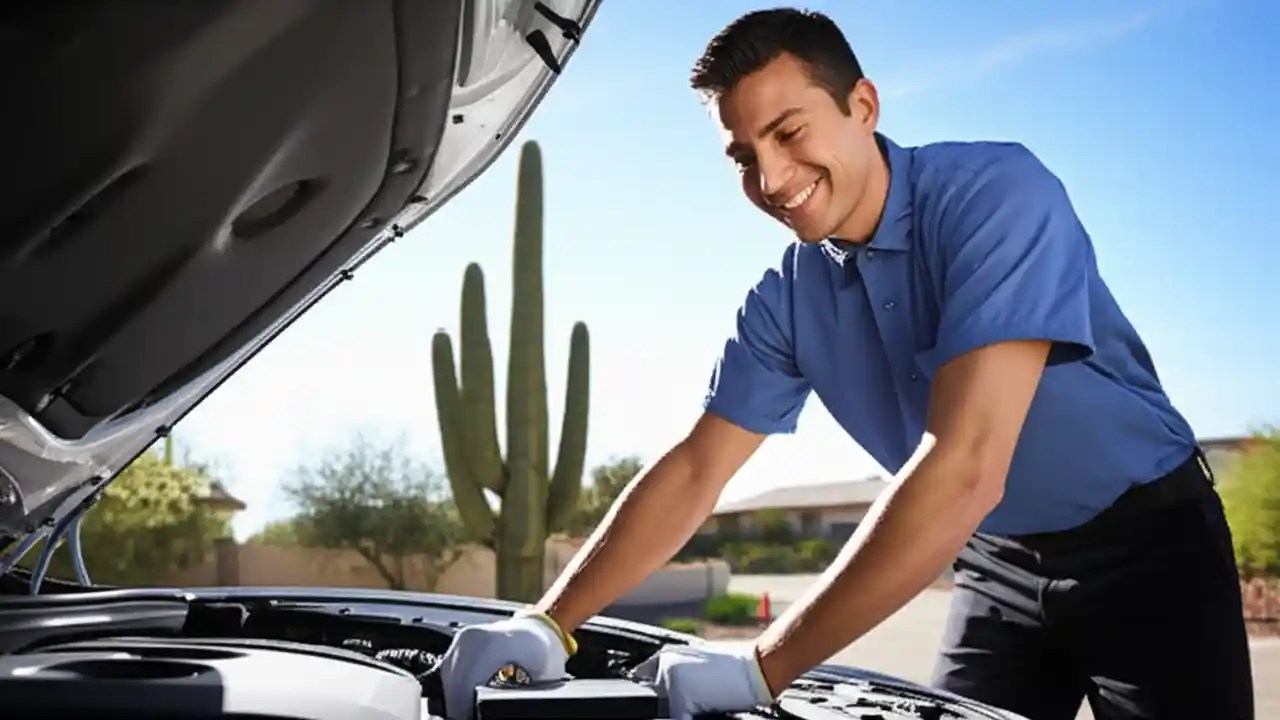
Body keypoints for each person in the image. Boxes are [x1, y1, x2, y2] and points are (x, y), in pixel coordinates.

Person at [439, 8, 1254, 720]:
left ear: (862, 105)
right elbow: (696, 470)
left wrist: (764, 668)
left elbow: (968, 467)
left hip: (1150, 549)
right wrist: (547, 623)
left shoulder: (998, 195)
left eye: (789, 133)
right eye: (743, 155)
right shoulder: (785, 299)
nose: (771, 178)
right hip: (994, 565)